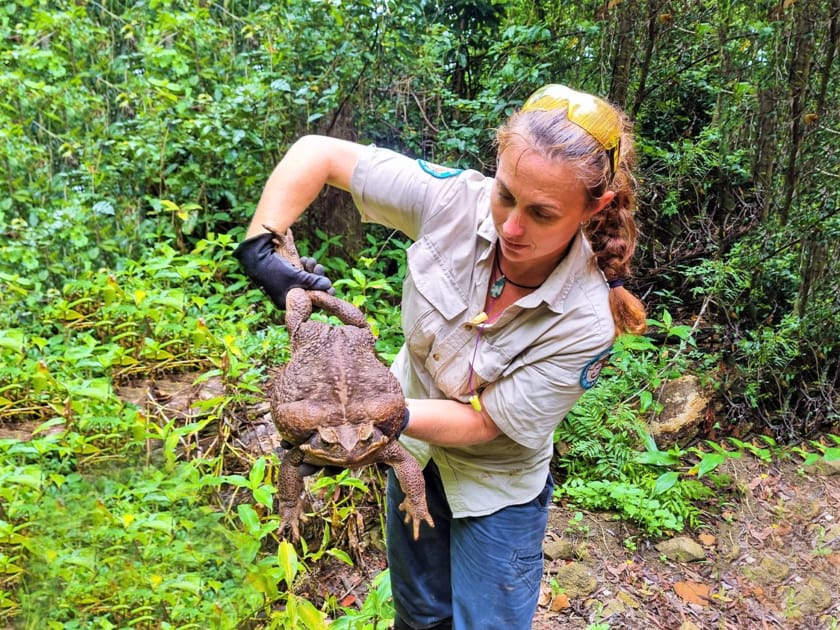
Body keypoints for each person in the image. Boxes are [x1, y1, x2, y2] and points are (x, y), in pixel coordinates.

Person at [234, 84, 646, 630]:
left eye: (542, 213)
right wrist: (261, 248)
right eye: (505, 195)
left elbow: (487, 424)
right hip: (412, 460)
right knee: (421, 615)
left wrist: (378, 415)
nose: (511, 226)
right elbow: (319, 153)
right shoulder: (454, 200)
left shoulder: (586, 321)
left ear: (594, 205)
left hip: (496, 488)